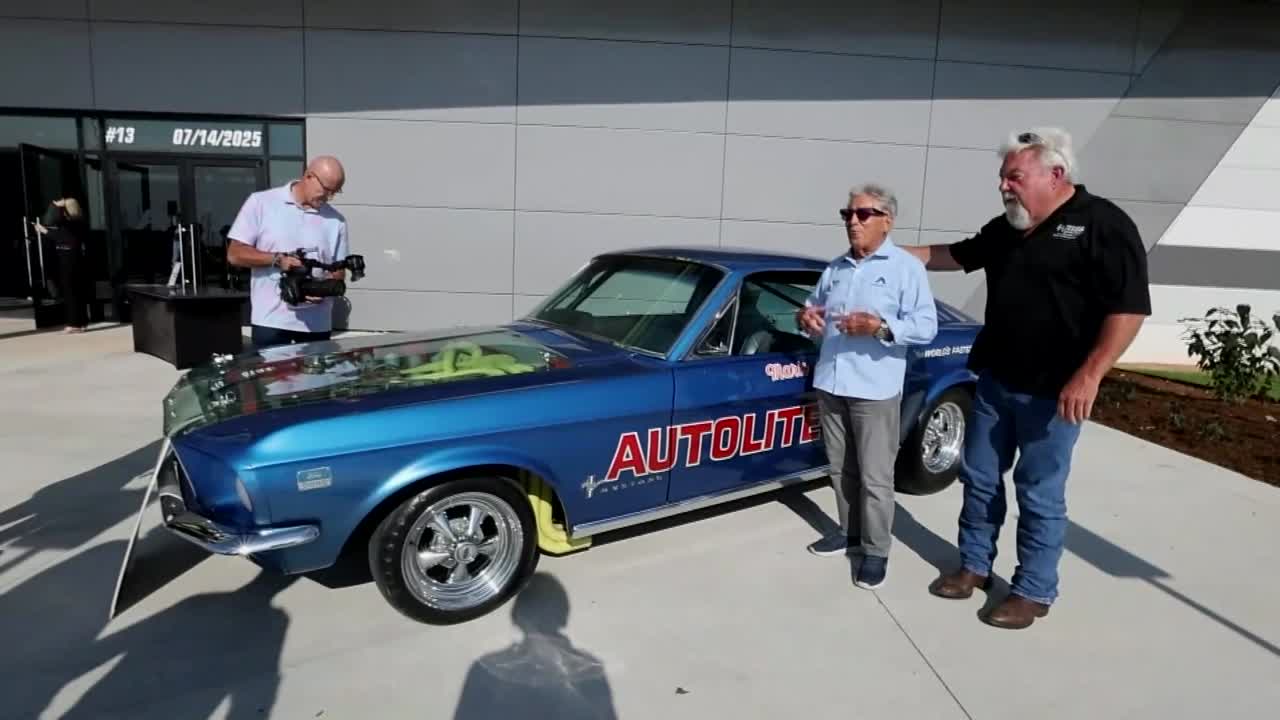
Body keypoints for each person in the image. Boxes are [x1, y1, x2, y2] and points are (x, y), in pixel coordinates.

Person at [903, 128, 1151, 629]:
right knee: (977, 476)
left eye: (1013, 176)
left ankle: (1034, 590)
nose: (1003, 186)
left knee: (1038, 491)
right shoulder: (1008, 228)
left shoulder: (1103, 224)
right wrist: (888, 251)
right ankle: (974, 565)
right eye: (1002, 177)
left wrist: (1090, 375)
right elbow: (957, 254)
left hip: (1055, 391)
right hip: (996, 379)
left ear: (1055, 174)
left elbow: (1128, 309)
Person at [797, 184, 938, 589]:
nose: (852, 223)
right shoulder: (836, 268)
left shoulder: (905, 268)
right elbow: (811, 309)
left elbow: (926, 327)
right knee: (841, 467)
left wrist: (880, 328)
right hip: (831, 381)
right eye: (847, 214)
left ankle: (876, 551)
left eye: (862, 215)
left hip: (875, 389)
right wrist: (806, 320)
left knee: (876, 477)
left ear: (886, 221)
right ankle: (849, 532)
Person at [227, 156, 350, 348]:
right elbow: (234, 254)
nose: (329, 197)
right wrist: (276, 259)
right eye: (326, 190)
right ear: (309, 176)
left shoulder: (336, 221)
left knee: (316, 379)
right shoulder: (262, 203)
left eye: (335, 192)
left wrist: (324, 287)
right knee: (271, 378)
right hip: (271, 321)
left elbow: (339, 270)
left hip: (316, 325)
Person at [35, 198, 90, 333]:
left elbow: (53, 223)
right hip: (75, 259)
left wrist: (55, 205)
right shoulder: (78, 222)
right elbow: (61, 234)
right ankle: (81, 322)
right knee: (77, 292)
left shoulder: (68, 223)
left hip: (68, 260)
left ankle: (74, 324)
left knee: (70, 292)